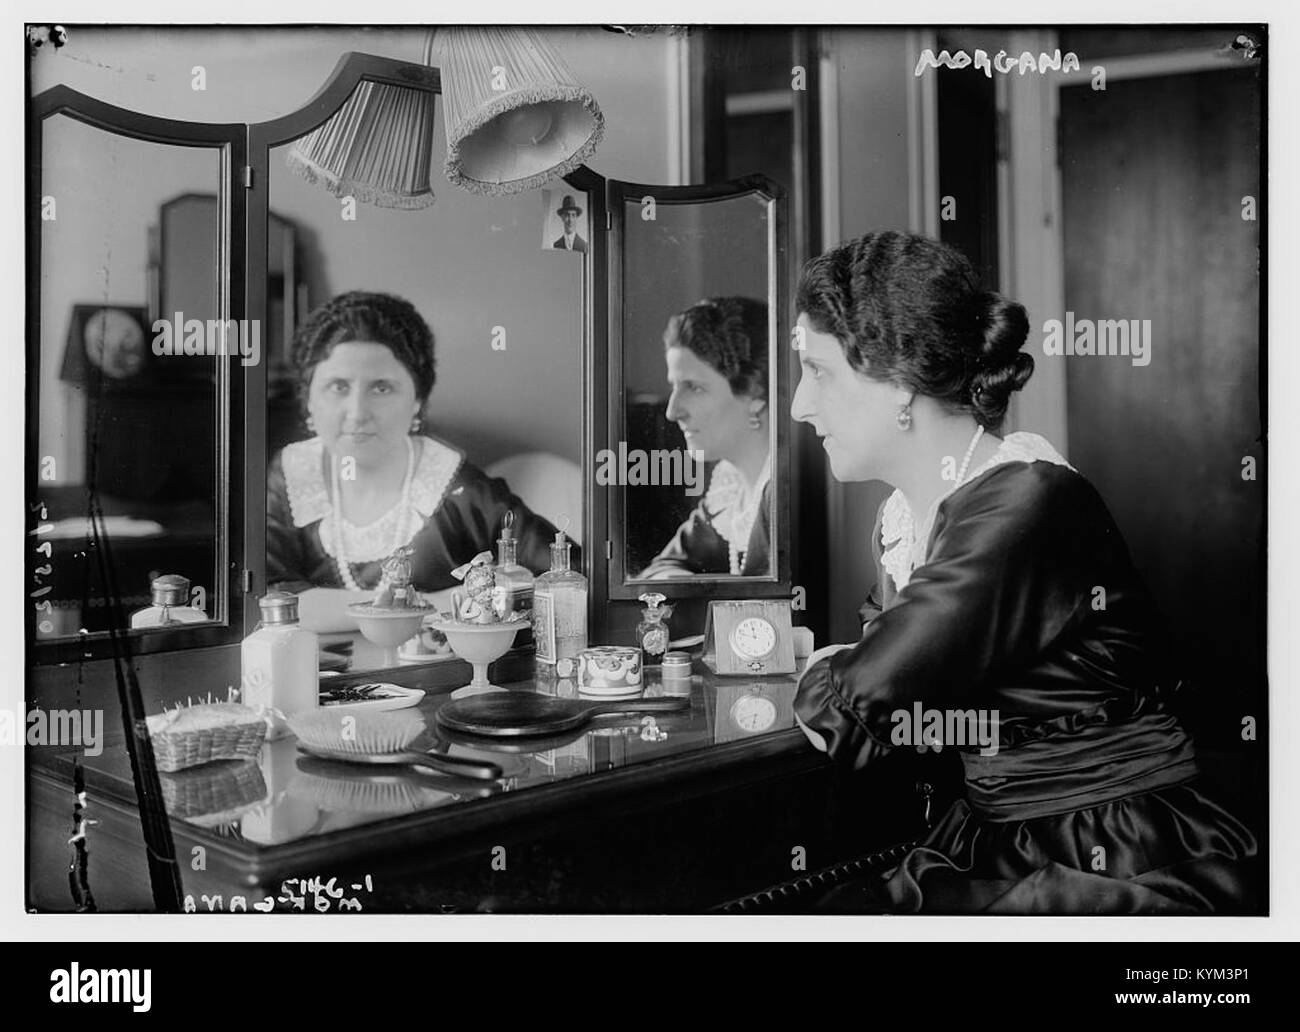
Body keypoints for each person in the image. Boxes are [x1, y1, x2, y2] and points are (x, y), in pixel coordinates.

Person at [789, 231, 1257, 914]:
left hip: (1112, 851)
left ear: (900, 378)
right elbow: (909, 700)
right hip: (998, 834)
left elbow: (861, 702)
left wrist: (833, 665)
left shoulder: (1024, 502)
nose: (801, 405)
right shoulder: (908, 519)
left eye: (819, 372)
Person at [266, 291, 573, 632]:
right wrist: (440, 604)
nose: (357, 413)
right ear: (308, 398)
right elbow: (271, 602)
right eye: (338, 386)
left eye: (381, 388)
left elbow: (567, 574)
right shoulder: (292, 477)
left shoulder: (456, 488)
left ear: (417, 401)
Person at [640, 297, 772, 578]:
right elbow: (664, 565)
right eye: (674, 387)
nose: (672, 412)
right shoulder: (730, 488)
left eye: (694, 387)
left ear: (754, 393)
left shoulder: (782, 493)